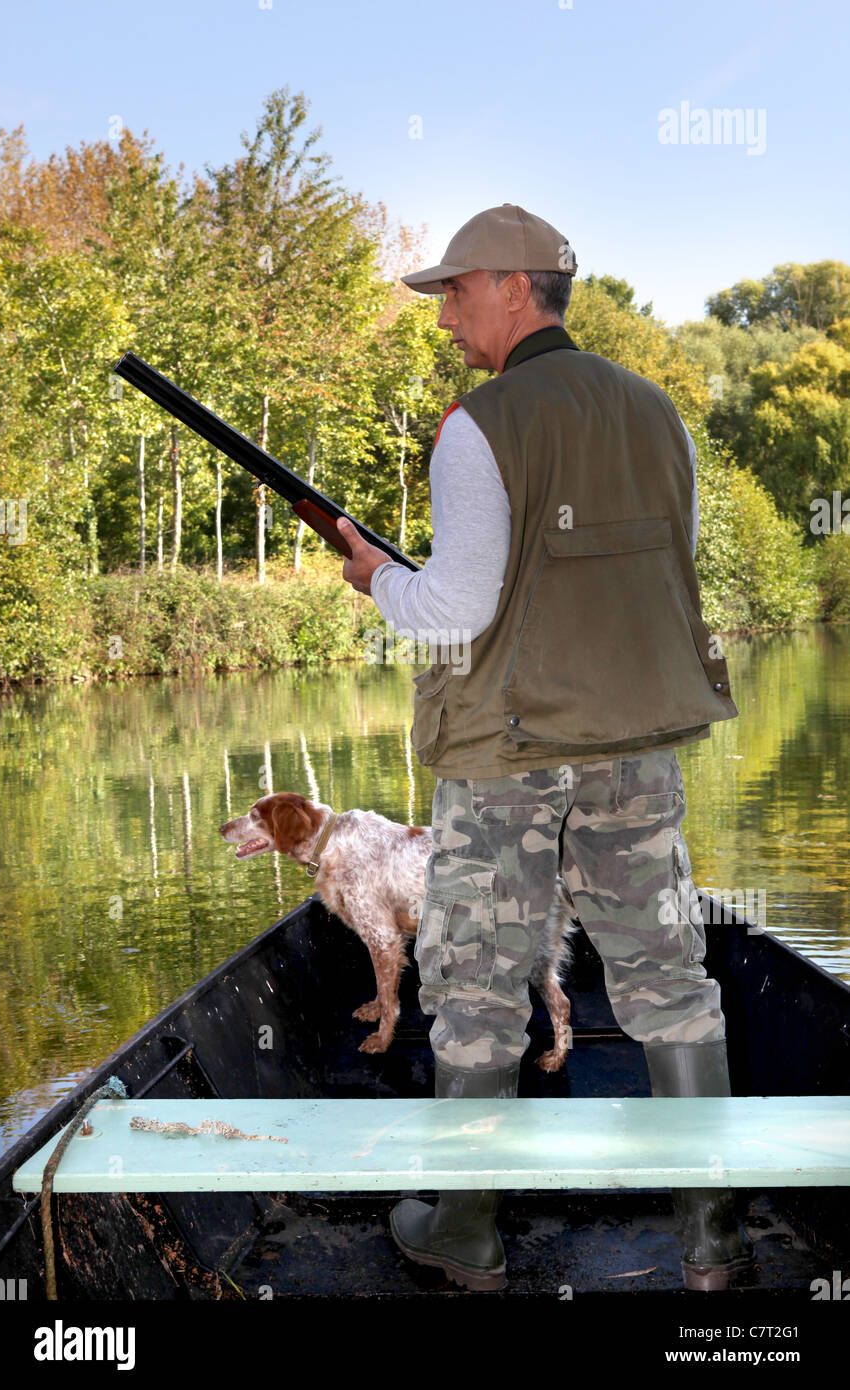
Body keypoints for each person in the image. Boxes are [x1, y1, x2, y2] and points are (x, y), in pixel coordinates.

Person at [336, 203, 755, 1293]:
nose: (444, 319)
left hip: (506, 760)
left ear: (513, 287)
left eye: (455, 293)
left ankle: (466, 1232)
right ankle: (711, 1243)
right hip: (634, 755)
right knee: (668, 978)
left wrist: (377, 576)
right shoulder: (656, 412)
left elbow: (454, 612)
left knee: (474, 988)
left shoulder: (481, 423)